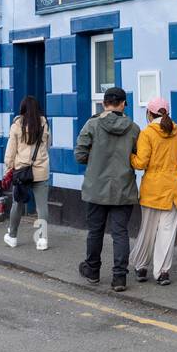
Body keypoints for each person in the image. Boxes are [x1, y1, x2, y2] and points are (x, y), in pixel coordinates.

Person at [75, 87, 140, 292]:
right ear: (123, 104)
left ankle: (93, 271)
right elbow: (139, 157)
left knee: (95, 231)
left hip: (96, 187)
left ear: (104, 104)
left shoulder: (92, 124)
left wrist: (95, 162)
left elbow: (79, 155)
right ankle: (119, 277)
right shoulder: (134, 128)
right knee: (120, 233)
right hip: (123, 187)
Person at [130, 96, 177, 286]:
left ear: (149, 113)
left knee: (147, 230)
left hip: (152, 190)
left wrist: (130, 156)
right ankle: (163, 272)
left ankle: (140, 266)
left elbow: (141, 163)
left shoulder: (147, 133)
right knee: (167, 232)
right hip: (172, 189)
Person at [3, 96, 50, 251]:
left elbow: (11, 150)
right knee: (41, 207)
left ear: (22, 109)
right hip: (40, 170)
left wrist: (8, 168)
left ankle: (13, 237)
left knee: (18, 204)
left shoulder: (17, 125)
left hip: (22, 171)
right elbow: (48, 146)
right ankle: (42, 240)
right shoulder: (44, 124)